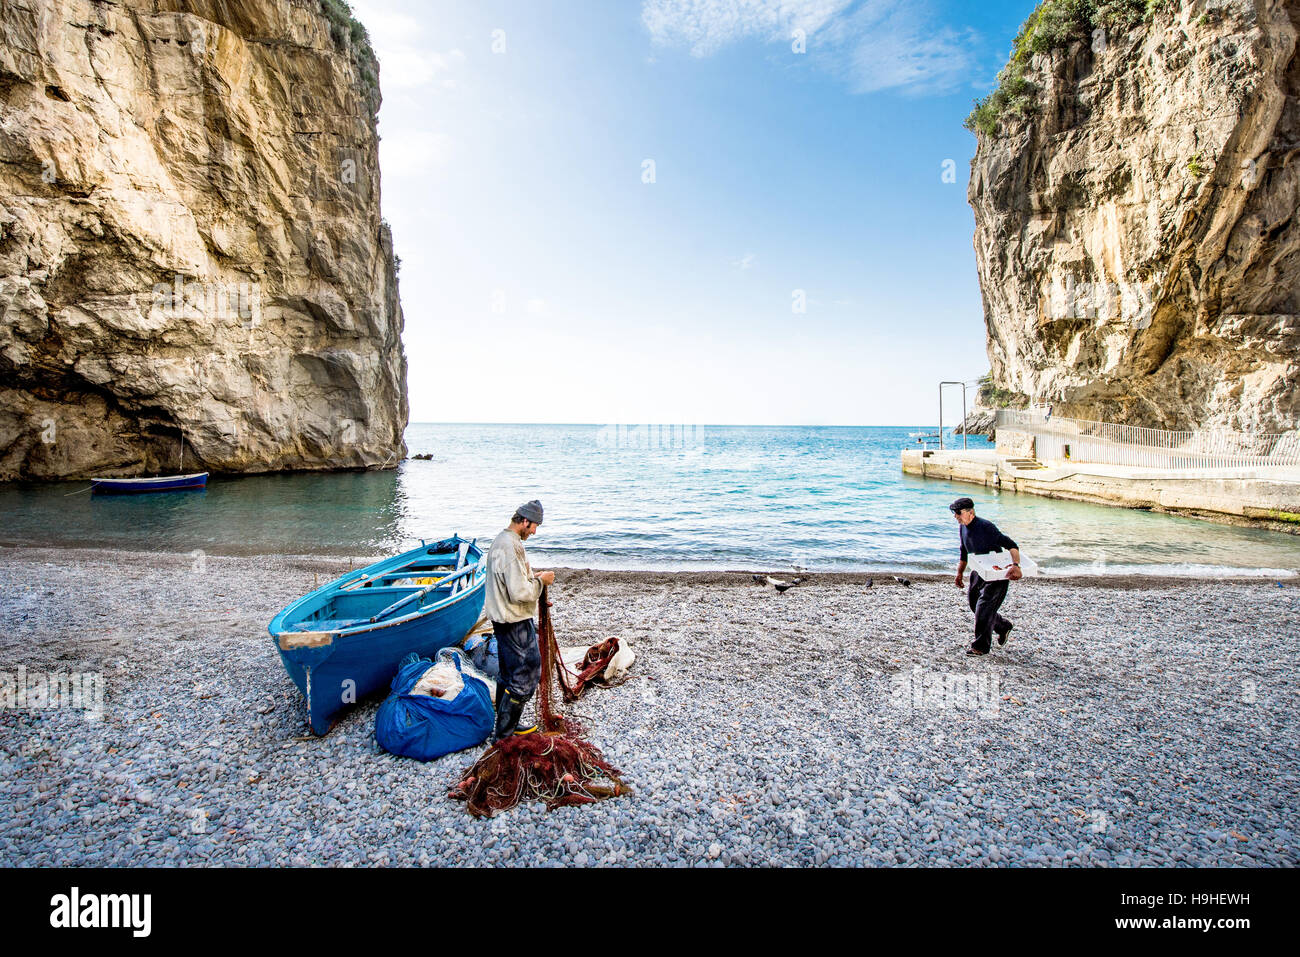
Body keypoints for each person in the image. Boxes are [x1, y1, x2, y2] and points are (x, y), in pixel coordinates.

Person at [484, 499, 555, 740]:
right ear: (524, 521)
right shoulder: (511, 546)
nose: (534, 531)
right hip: (513, 620)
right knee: (527, 673)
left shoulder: (502, 541)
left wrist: (531, 577)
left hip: (502, 619)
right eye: (534, 525)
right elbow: (519, 593)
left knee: (508, 672)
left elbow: (510, 582)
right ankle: (504, 736)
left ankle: (506, 727)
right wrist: (541, 582)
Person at [950, 497, 1022, 657]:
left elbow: (1011, 545)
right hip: (979, 571)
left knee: (983, 608)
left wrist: (1016, 566)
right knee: (974, 605)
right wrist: (959, 573)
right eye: (954, 513)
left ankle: (980, 647)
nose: (956, 517)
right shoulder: (962, 527)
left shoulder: (985, 527)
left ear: (971, 513)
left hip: (996, 574)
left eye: (958, 513)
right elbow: (964, 552)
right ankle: (1003, 626)